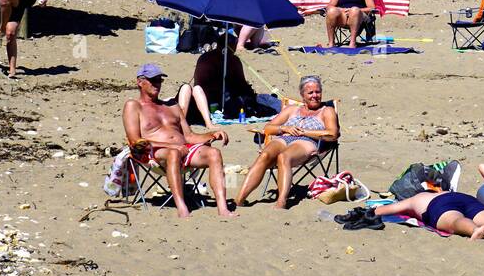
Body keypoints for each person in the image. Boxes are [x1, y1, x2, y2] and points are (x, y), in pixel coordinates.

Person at [123, 64, 234, 219]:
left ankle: (222, 207)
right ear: (140, 82)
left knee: (214, 153)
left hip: (184, 148)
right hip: (152, 152)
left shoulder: (171, 105)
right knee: (173, 153)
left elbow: (189, 136)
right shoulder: (133, 106)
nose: (157, 84)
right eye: (152, 80)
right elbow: (135, 141)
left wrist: (212, 135)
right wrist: (173, 146)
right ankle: (181, 207)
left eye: (159, 80)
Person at [235, 75, 338, 209]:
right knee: (264, 156)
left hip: (307, 141)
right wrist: (285, 128)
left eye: (318, 92)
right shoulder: (291, 109)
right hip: (284, 138)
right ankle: (240, 199)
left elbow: (332, 133)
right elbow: (268, 128)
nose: (315, 95)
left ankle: (281, 201)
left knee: (284, 157)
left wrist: (304, 132)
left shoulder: (326, 110)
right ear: (302, 95)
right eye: (310, 92)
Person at [371, 190, 484, 239]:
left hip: (438, 206)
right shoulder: (447, 191)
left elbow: (384, 210)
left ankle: (474, 230)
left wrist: (373, 210)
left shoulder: (417, 198)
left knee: (456, 220)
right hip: (466, 198)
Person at [191, 28, 256, 119]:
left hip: (229, 94)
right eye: (233, 47)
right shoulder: (206, 60)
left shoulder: (234, 60)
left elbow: (241, 82)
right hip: (208, 97)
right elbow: (201, 84)